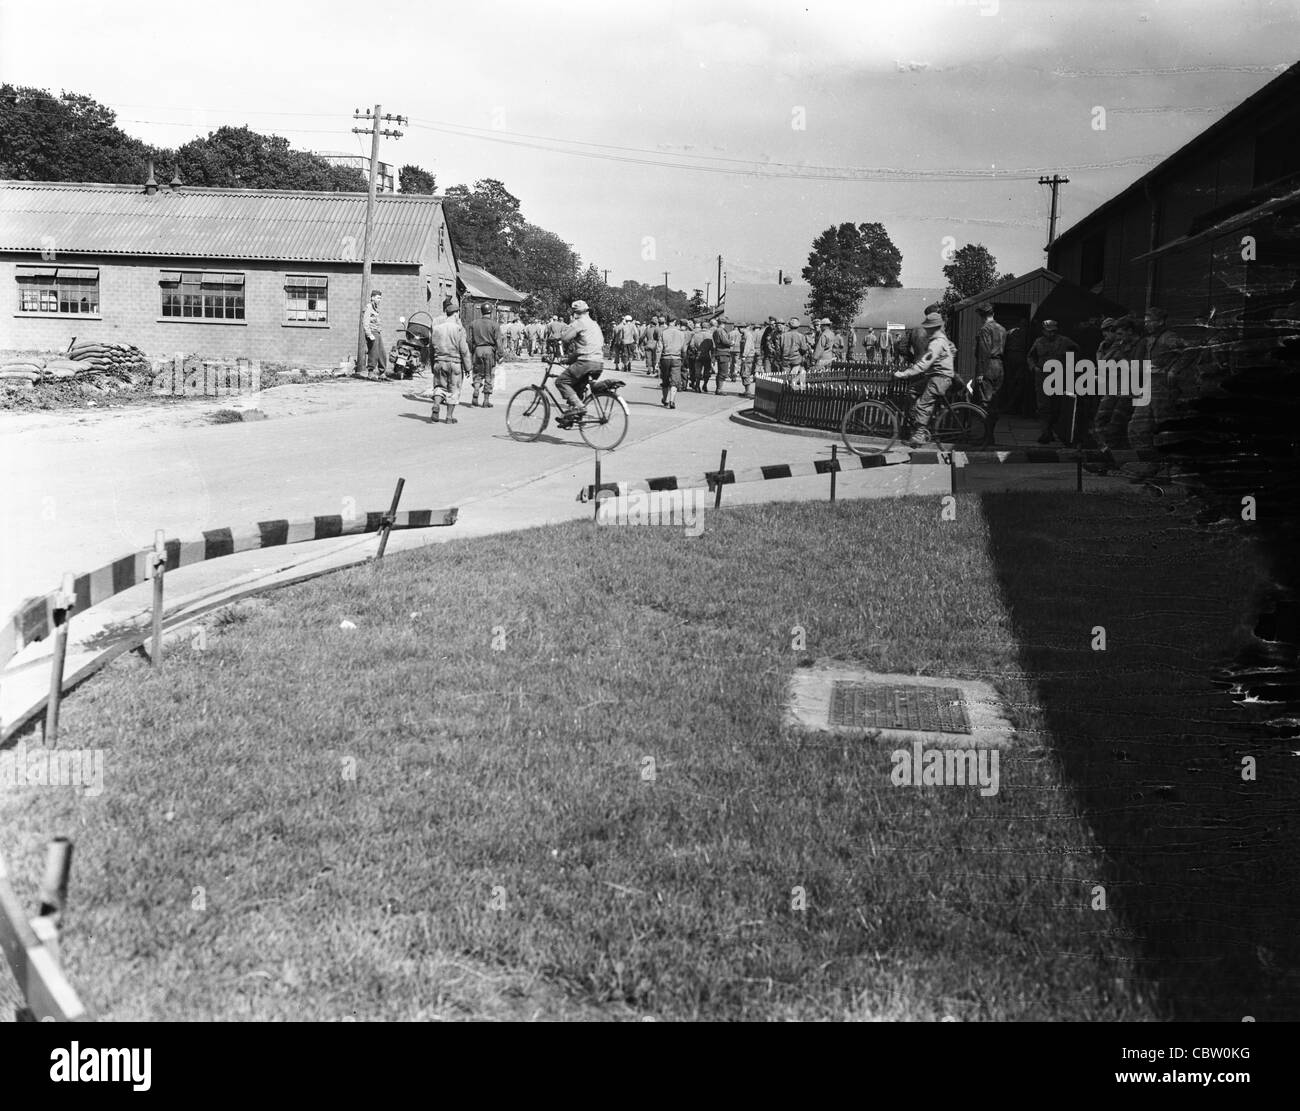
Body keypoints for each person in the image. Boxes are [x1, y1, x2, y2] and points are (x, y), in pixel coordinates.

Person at [893, 311, 956, 447]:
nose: (926, 330)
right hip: (935, 376)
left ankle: (920, 434)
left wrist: (904, 373)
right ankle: (920, 424)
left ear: (934, 328)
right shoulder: (942, 340)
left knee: (922, 405)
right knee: (912, 390)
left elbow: (924, 364)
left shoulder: (937, 343)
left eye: (928, 328)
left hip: (940, 378)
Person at [1027, 318, 1080, 444]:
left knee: (1057, 406)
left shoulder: (1064, 341)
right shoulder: (1038, 342)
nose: (1051, 334)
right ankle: (1045, 432)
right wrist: (1033, 368)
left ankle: (1051, 430)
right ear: (1043, 331)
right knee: (1043, 406)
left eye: (1053, 331)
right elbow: (1030, 356)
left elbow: (1076, 350)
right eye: (1048, 331)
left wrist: (1069, 365)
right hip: (1042, 376)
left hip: (1058, 376)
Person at [555, 300, 605, 422]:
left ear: (575, 313)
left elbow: (565, 338)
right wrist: (570, 359)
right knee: (577, 387)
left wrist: (570, 325)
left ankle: (580, 407)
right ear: (587, 311)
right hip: (598, 362)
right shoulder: (594, 324)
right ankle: (572, 415)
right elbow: (586, 347)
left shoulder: (578, 323)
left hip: (586, 362)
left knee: (561, 381)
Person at [428, 299, 473, 424]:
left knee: (438, 386)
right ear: (456, 313)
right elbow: (464, 350)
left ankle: (436, 405)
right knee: (454, 389)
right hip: (455, 363)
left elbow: (431, 349)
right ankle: (448, 417)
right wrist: (468, 367)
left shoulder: (436, 329)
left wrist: (432, 364)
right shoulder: (459, 329)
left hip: (439, 361)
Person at [973, 302, 1007, 447]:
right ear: (992, 314)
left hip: (988, 366)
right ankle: (991, 436)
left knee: (985, 403)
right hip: (1000, 366)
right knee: (995, 402)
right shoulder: (1002, 329)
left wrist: (980, 372)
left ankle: (987, 437)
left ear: (981, 315)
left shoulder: (985, 329)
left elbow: (984, 351)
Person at [468, 303, 504, 408]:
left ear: (481, 311)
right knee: (489, 375)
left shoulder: (473, 324)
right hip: (489, 351)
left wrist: (472, 350)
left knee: (477, 373)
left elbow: (469, 340)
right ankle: (486, 401)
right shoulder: (495, 325)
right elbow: (498, 341)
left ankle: (475, 392)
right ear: (491, 312)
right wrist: (500, 354)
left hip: (477, 350)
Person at [657, 317, 686, 408]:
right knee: (674, 381)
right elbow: (684, 348)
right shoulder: (681, 333)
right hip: (676, 358)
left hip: (665, 358)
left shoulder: (663, 332)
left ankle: (665, 399)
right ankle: (672, 401)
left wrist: (657, 362)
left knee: (665, 380)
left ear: (667, 322)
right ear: (674, 322)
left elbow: (659, 348)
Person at [779, 317, 811, 390]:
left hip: (785, 360)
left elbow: (779, 348)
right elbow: (804, 349)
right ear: (798, 326)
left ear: (789, 325)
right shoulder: (801, 336)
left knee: (785, 379)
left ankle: (785, 393)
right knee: (796, 379)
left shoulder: (783, 336)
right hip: (796, 360)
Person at [363, 289, 387, 378]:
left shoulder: (375, 308)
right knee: (373, 352)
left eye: (380, 298)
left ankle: (382, 373)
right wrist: (369, 334)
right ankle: (371, 372)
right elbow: (365, 322)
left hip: (377, 333)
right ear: (372, 298)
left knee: (382, 353)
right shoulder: (369, 307)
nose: (379, 300)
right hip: (372, 333)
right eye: (378, 298)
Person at [712, 318, 738, 393]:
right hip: (723, 352)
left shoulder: (717, 331)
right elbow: (725, 341)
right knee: (723, 371)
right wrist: (731, 342)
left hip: (720, 352)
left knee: (721, 371)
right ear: (723, 323)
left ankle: (719, 388)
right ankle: (719, 389)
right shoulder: (721, 330)